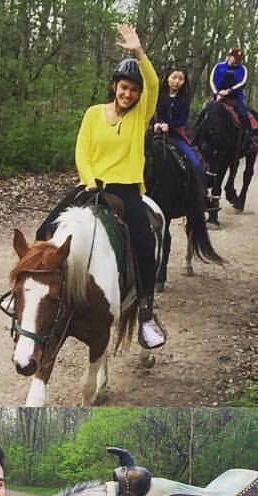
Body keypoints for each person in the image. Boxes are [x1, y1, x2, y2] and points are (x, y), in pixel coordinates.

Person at [67, 23, 165, 348]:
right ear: (114, 86)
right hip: (93, 187)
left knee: (145, 245)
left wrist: (138, 52)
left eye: (133, 90)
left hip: (125, 191)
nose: (128, 94)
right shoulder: (94, 113)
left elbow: (153, 82)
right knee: (46, 229)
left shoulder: (140, 115)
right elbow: (83, 148)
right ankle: (41, 295)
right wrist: (88, 178)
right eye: (124, 88)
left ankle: (147, 314)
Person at [152, 66, 208, 186]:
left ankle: (202, 192)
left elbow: (182, 120)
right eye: (174, 78)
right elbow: (151, 112)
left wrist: (169, 126)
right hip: (156, 132)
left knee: (196, 163)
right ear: (167, 78)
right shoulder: (158, 95)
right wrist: (155, 124)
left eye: (180, 79)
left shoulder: (184, 98)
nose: (177, 82)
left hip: (175, 135)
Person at [211, 47, 251, 131]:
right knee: (205, 111)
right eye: (235, 58)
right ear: (229, 56)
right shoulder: (218, 66)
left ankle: (248, 135)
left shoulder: (243, 69)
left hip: (235, 98)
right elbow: (212, 80)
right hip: (218, 97)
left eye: (239, 59)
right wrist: (217, 93)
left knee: (243, 114)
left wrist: (229, 91)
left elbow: (243, 82)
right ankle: (197, 136)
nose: (236, 61)